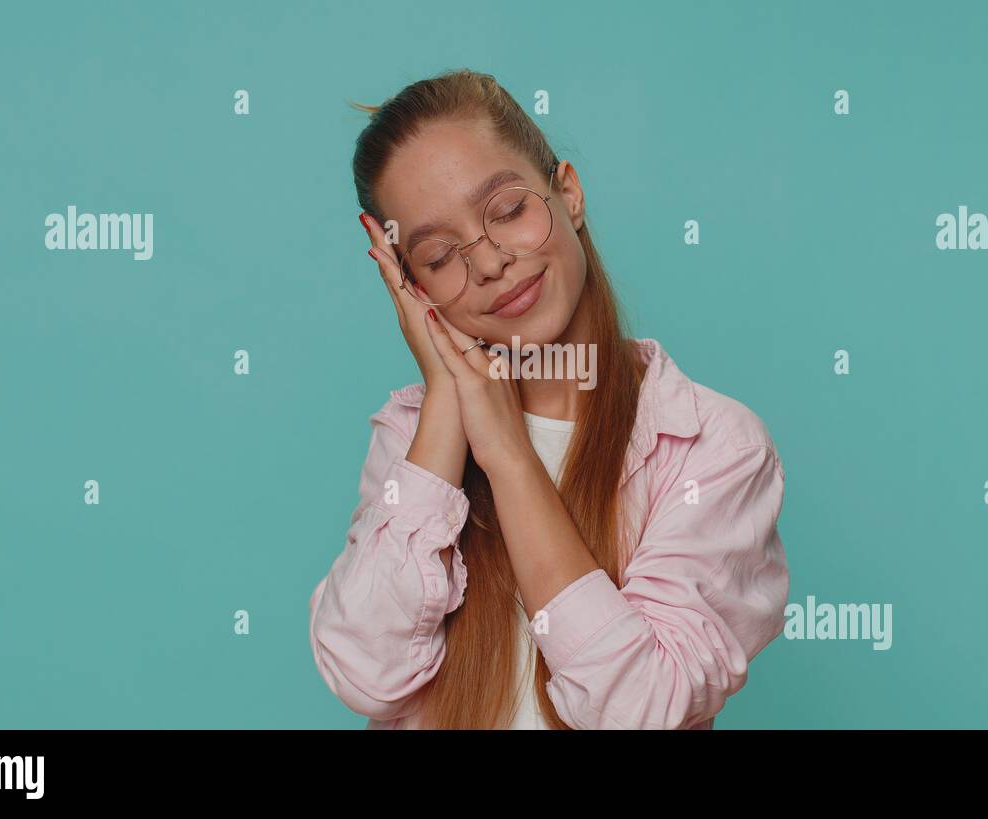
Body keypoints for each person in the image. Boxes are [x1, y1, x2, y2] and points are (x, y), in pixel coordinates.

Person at [309, 68, 789, 729]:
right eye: (441, 255)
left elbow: (639, 708)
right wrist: (450, 399)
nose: (490, 263)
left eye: (507, 211)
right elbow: (365, 672)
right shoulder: (412, 438)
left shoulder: (711, 447)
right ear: (411, 286)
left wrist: (509, 457)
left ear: (568, 193)